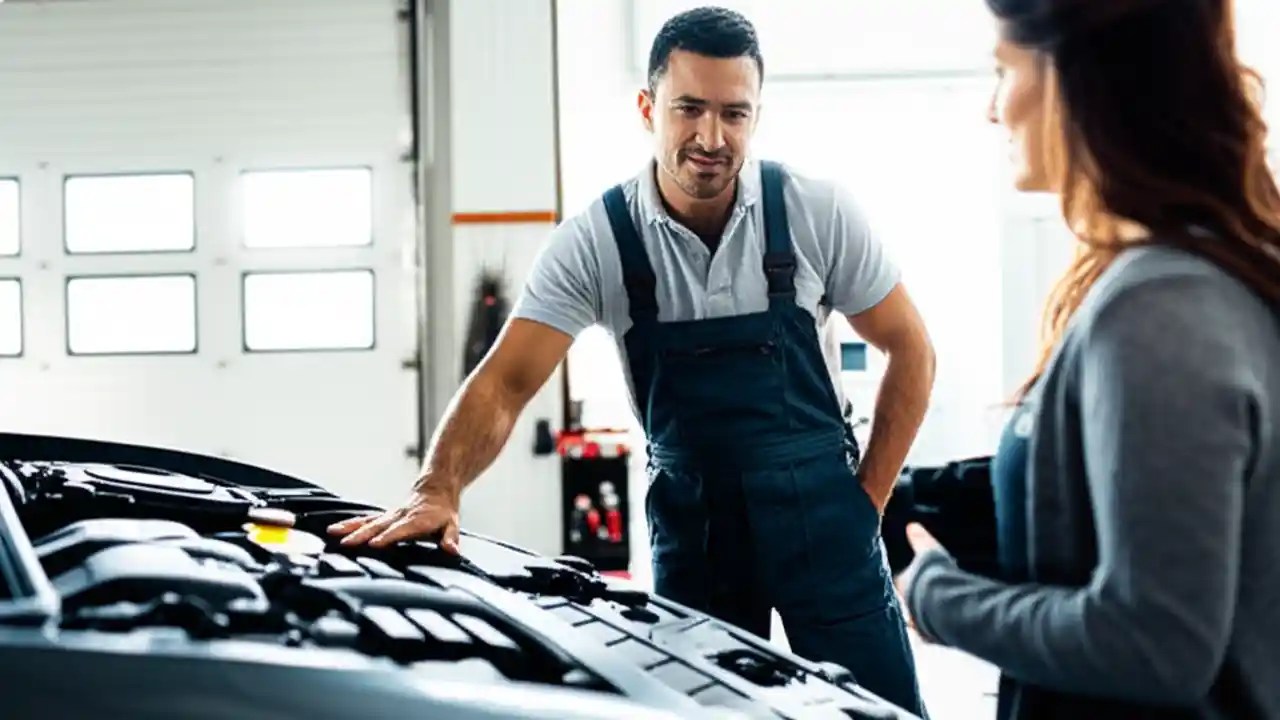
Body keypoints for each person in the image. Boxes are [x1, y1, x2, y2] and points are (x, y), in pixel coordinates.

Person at [329, 6, 935, 715]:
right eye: (689, 110)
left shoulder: (816, 212)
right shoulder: (597, 242)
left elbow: (912, 351)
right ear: (648, 108)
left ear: (757, 116)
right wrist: (439, 487)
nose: (712, 137)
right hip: (696, 532)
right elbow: (506, 381)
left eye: (734, 114)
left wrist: (866, 503)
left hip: (825, 524)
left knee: (875, 710)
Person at [896, 0, 1280, 718]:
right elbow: (1108, 503)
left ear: (1076, 79)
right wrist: (892, 499)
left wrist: (939, 599)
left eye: (1003, 72)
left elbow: (1154, 642)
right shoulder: (1189, 281)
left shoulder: (1162, 308)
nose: (991, 110)